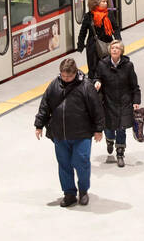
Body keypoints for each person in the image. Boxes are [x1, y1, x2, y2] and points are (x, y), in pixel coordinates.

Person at [34, 58, 104, 207]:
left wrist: (99, 129)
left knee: (82, 162)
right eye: (63, 76)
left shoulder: (86, 86)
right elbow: (45, 105)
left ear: (75, 73)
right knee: (64, 164)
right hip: (60, 134)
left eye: (68, 77)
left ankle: (83, 191)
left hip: (82, 134)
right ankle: (69, 193)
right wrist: (39, 124)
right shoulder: (54, 84)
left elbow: (96, 108)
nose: (65, 79)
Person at [93, 40, 141, 167]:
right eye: (112, 47)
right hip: (108, 102)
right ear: (110, 50)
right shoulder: (102, 64)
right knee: (109, 128)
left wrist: (136, 101)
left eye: (117, 48)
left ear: (121, 51)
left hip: (124, 102)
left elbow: (134, 86)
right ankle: (109, 140)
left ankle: (120, 152)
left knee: (121, 128)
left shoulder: (128, 66)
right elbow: (97, 77)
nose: (114, 49)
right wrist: (97, 82)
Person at [77, 0, 120, 77]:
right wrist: (80, 45)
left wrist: (118, 41)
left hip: (107, 44)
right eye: (103, 1)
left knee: (108, 67)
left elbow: (115, 28)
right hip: (93, 47)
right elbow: (83, 32)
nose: (105, 3)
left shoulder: (109, 14)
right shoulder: (89, 16)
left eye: (106, 1)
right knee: (93, 68)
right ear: (96, 3)